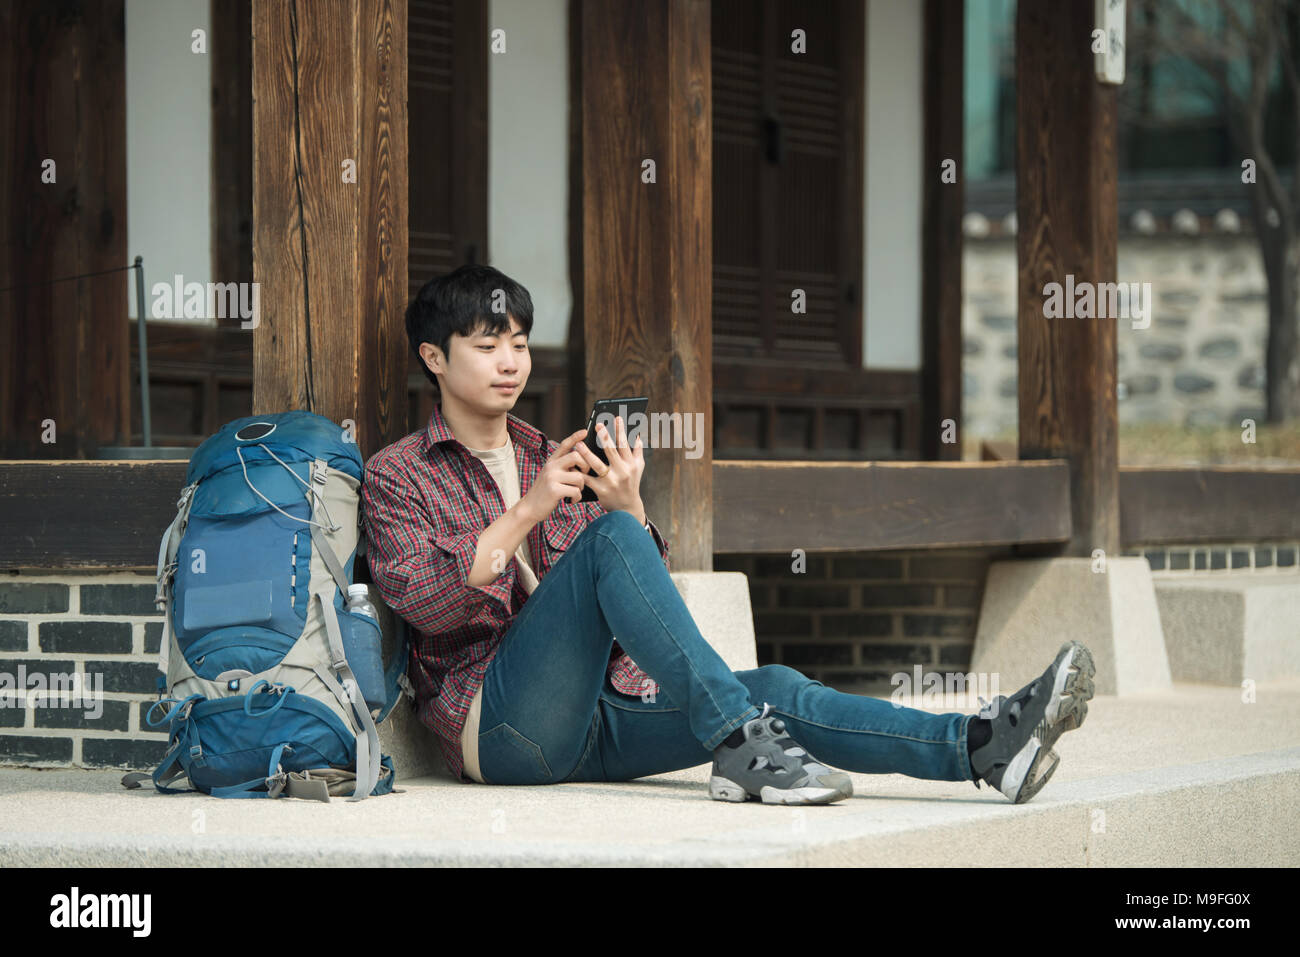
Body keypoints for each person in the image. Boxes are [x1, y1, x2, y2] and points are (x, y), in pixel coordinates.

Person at [361, 264, 1096, 806]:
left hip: (597, 712)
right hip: (500, 729)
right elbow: (430, 605)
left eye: (519, 343)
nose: (511, 361)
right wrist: (530, 508)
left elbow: (630, 602)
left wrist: (629, 504)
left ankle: (980, 747)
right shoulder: (398, 473)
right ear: (434, 357)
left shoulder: (543, 451)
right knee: (610, 544)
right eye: (488, 345)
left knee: (772, 686)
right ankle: (740, 742)